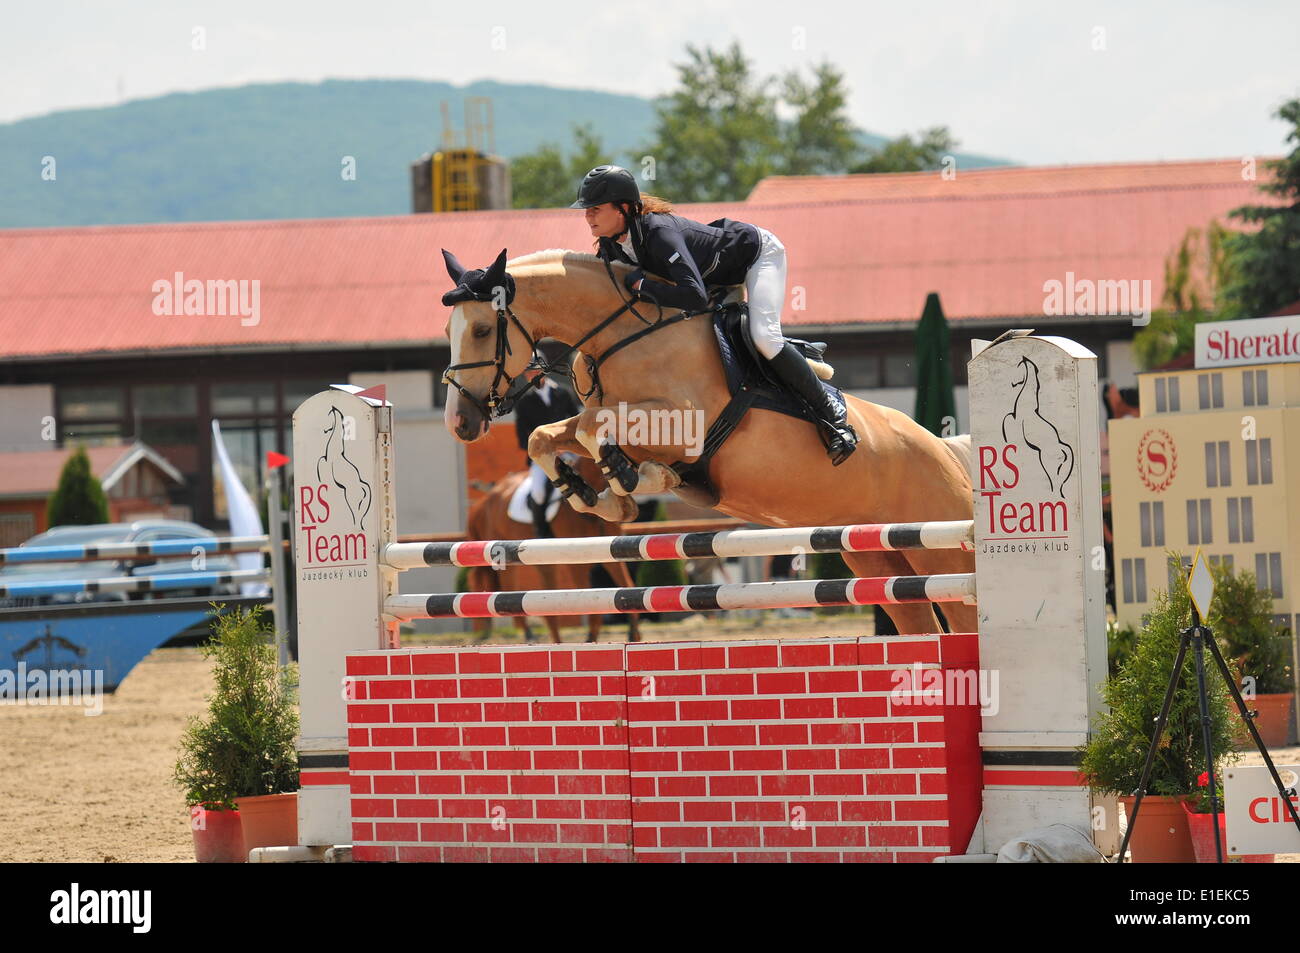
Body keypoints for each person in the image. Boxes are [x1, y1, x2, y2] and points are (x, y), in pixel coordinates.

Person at [570, 164, 858, 465]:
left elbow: (693, 296)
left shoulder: (658, 233)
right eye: (586, 209)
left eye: (595, 208)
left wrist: (644, 286)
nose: (588, 215)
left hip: (755, 256)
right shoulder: (610, 246)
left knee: (765, 338)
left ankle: (834, 418)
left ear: (624, 208)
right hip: (715, 279)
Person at [513, 369, 582, 537]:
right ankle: (542, 533)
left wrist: (568, 445)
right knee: (538, 493)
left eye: (536, 371)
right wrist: (547, 449)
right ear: (525, 376)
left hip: (570, 452)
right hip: (543, 458)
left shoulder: (563, 393)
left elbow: (578, 423)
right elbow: (523, 439)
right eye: (529, 374)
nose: (533, 376)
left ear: (544, 372)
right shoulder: (523, 402)